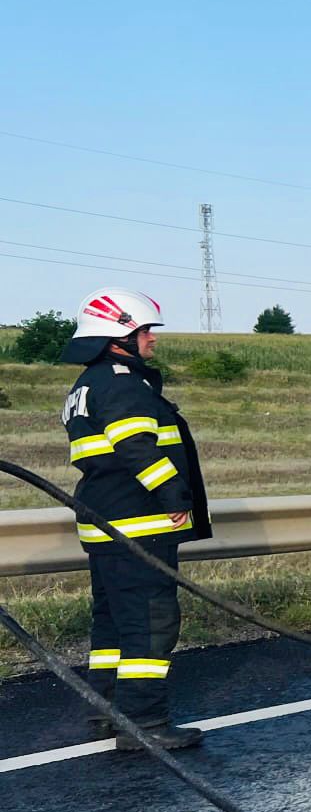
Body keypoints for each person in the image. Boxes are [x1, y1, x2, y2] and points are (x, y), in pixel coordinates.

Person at [61, 288, 211, 750]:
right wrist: (173, 496)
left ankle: (106, 711)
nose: (151, 340)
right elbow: (136, 447)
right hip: (139, 524)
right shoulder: (122, 382)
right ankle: (145, 721)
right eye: (143, 331)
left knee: (112, 623)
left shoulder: (88, 384)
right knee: (151, 622)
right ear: (116, 338)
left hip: (106, 522)